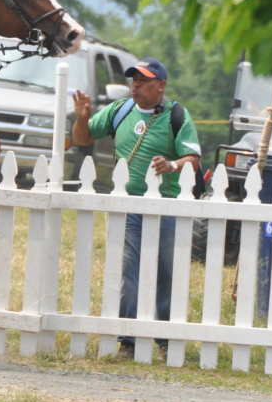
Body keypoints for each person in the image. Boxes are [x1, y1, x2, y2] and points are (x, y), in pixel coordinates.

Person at [72, 57, 202, 359]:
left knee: (167, 273)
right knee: (128, 271)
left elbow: (193, 159)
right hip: (128, 206)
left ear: (161, 85)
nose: (136, 84)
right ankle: (127, 341)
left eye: (144, 80)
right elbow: (82, 138)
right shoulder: (119, 109)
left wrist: (172, 164)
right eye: (134, 79)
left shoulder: (177, 115)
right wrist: (81, 118)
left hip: (167, 206)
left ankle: (166, 338)